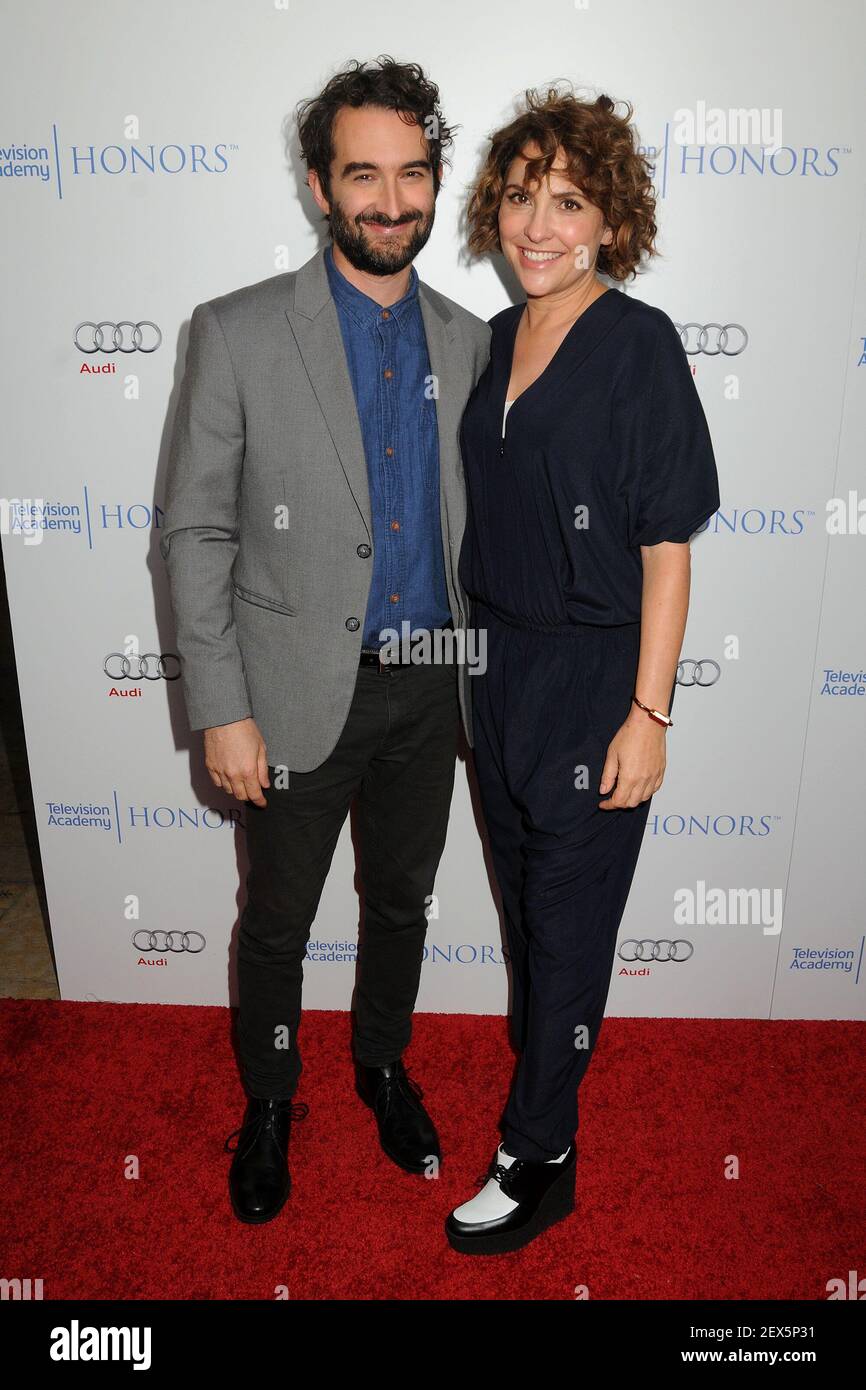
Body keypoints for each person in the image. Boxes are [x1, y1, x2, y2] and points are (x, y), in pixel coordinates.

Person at [160, 57, 490, 1224]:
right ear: (318, 186)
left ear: (435, 183)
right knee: (280, 922)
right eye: (363, 175)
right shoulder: (237, 330)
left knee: (401, 902)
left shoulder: (471, 342)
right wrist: (221, 706)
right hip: (292, 694)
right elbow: (194, 527)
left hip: (427, 692)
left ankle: (382, 1064)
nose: (389, 200)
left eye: (411, 174)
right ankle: (269, 1098)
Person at [446, 86, 721, 1255]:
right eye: (518, 197)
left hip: (590, 674)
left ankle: (539, 1153)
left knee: (564, 927)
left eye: (567, 200)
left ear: (611, 218)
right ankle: (542, 1099)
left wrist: (646, 711)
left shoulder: (638, 342)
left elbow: (665, 544)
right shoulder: (501, 335)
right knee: (526, 915)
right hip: (493, 666)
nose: (537, 225)